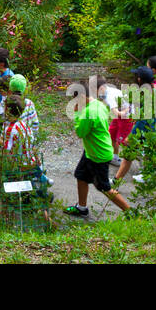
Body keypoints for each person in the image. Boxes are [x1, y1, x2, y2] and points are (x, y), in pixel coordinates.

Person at [65, 78, 131, 217]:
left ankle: (131, 212)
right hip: (92, 151)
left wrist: (77, 113)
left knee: (104, 187)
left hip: (98, 155)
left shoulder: (88, 113)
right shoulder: (98, 105)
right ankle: (81, 208)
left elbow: (80, 133)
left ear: (82, 97)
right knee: (81, 176)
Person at [114, 66, 155, 184]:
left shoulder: (146, 95)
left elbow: (143, 120)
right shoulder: (150, 91)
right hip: (148, 130)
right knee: (128, 156)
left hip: (147, 131)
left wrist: (131, 136)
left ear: (139, 79)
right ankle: (116, 182)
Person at [8, 74, 40, 142]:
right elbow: (35, 122)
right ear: (24, 88)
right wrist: (34, 138)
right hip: (26, 138)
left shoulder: (7, 103)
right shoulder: (29, 103)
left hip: (11, 138)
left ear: (10, 88)